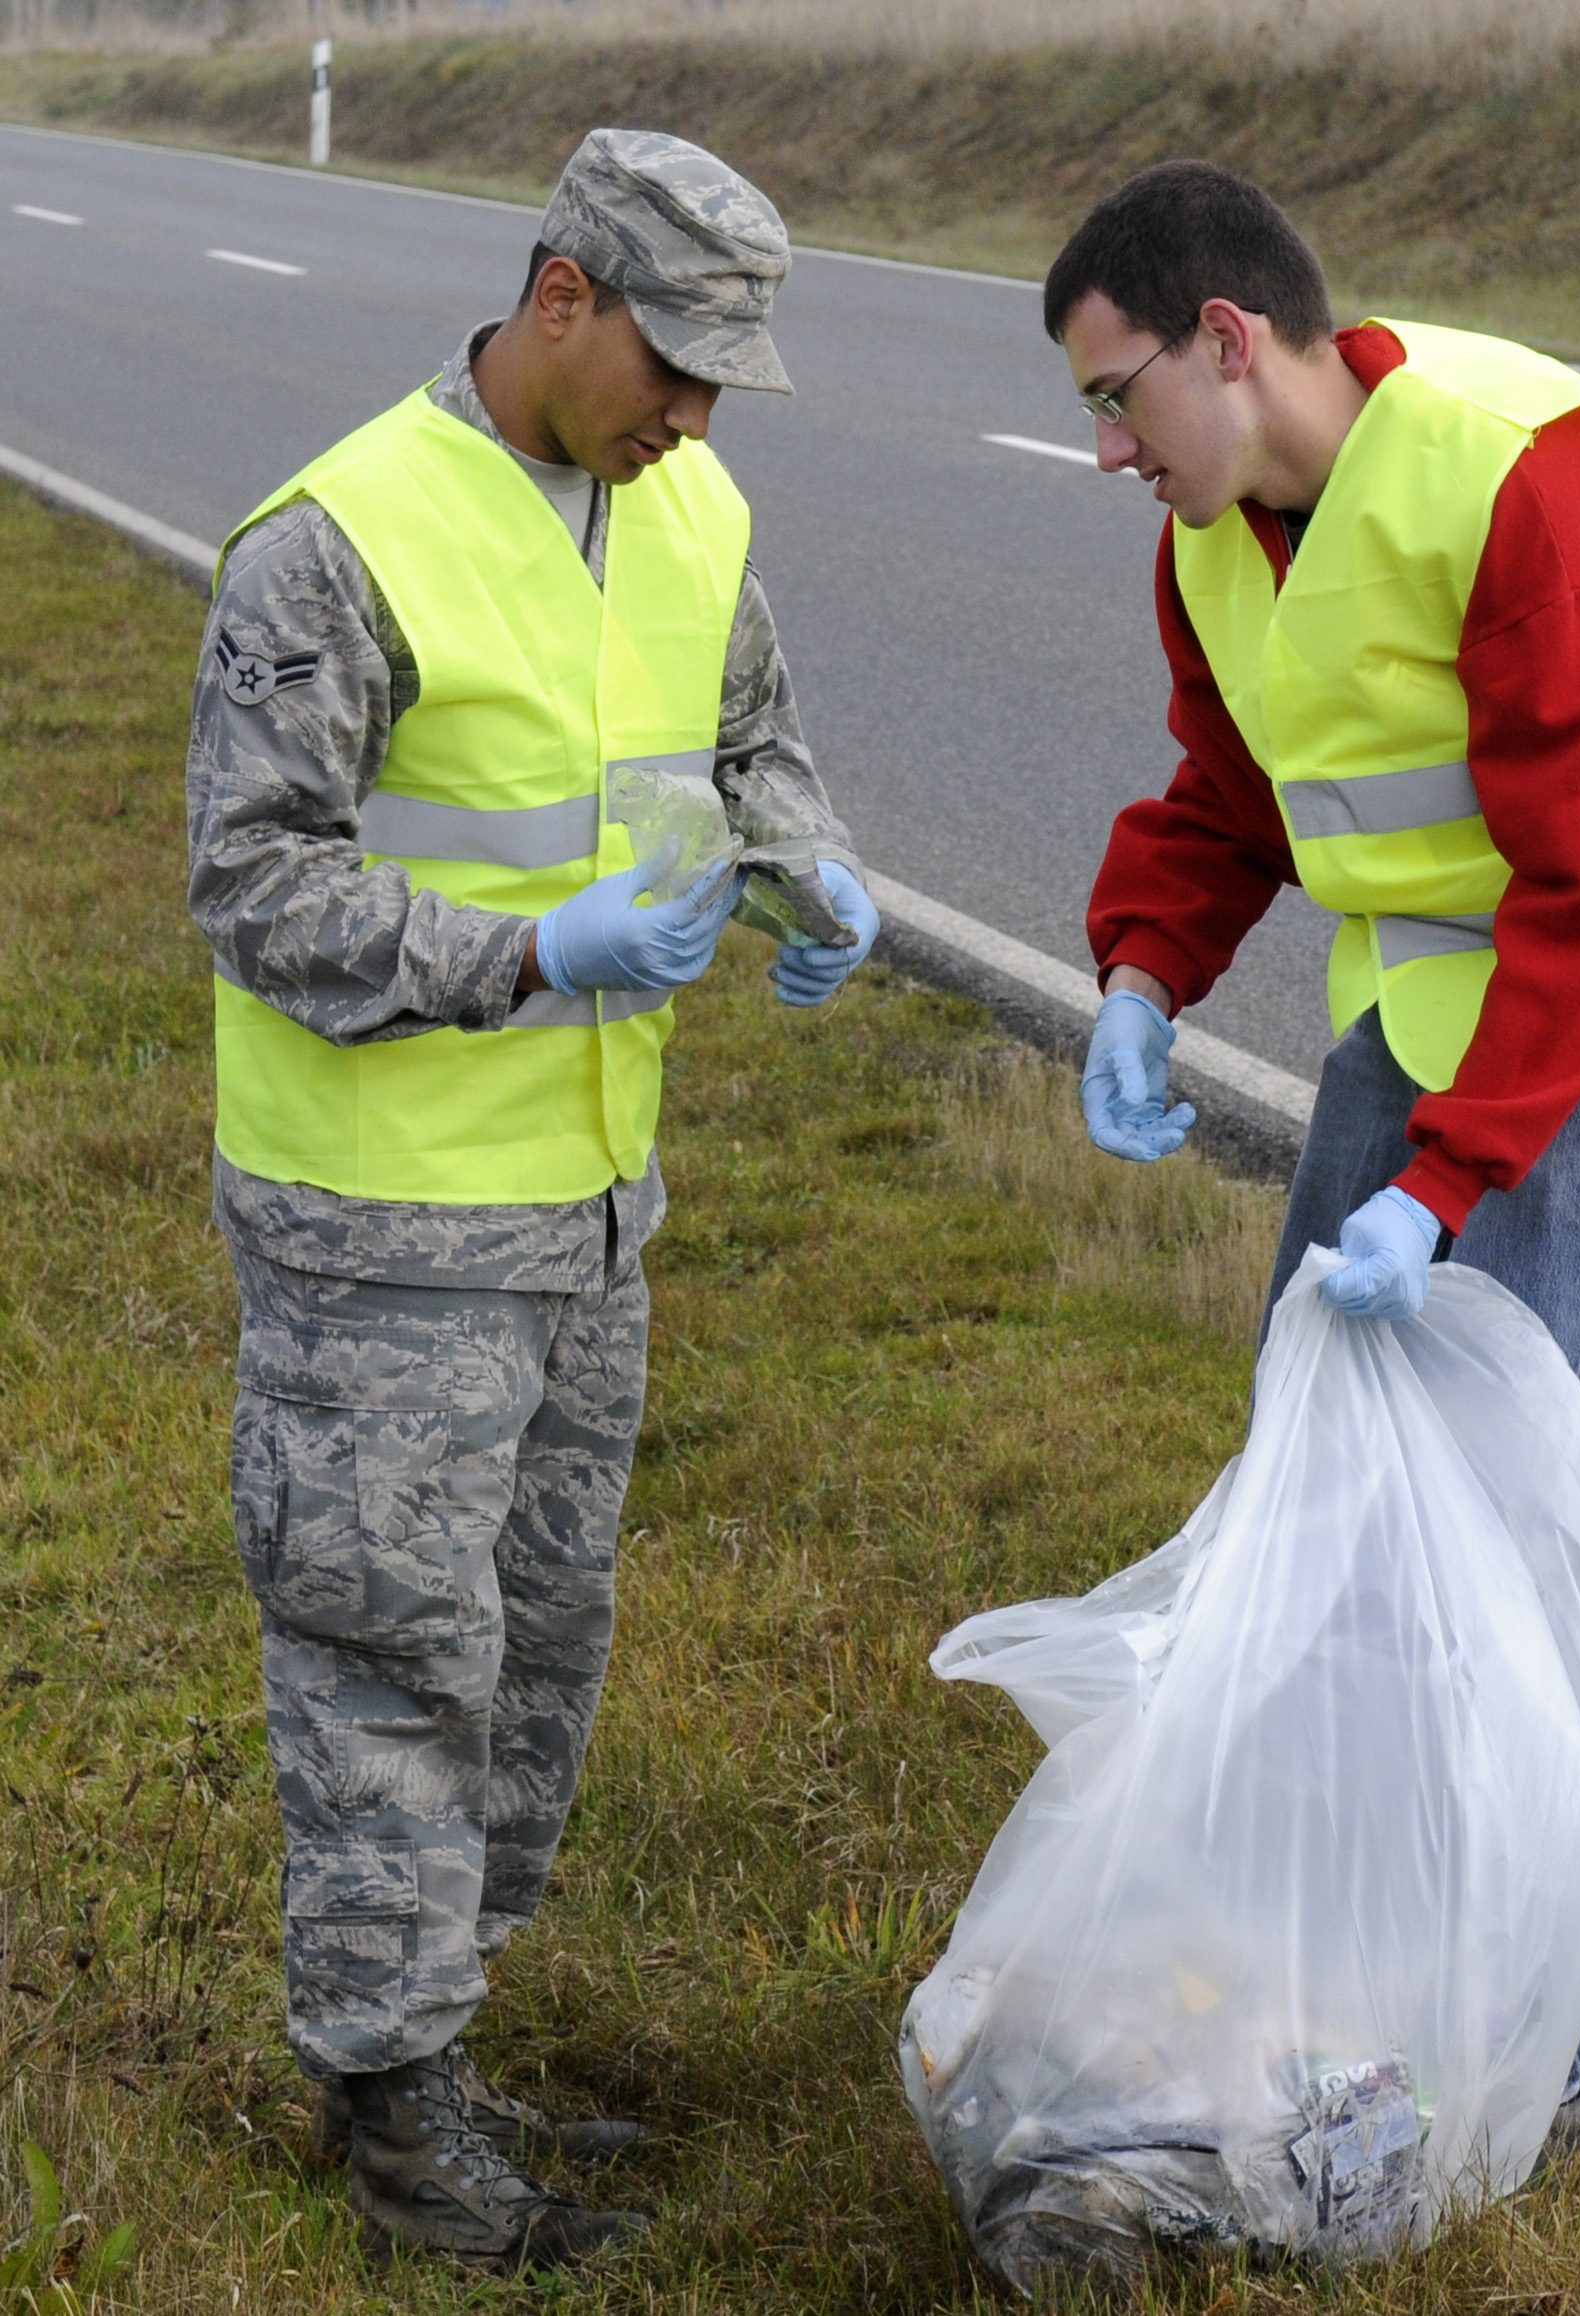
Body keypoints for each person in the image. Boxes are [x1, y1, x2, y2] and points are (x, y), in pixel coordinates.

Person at [1048, 161, 1580, 2153]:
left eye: (1113, 396)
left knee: (1497, 1520)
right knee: (1333, 1473)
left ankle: (1538, 2065)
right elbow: (1232, 791)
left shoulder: (1533, 487)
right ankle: (1341, 1966)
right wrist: (1141, 971)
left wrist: (1444, 1182)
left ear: (1226, 342)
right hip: (1443, 1002)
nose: (1104, 447)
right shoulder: (1218, 532)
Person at [185, 129, 878, 2269]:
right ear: (559, 295)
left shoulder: (686, 502)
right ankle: (394, 2118)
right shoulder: (337, 544)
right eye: (674, 360)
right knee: (394, 1658)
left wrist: (810, 856)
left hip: (585, 1217)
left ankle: (433, 2044)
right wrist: (531, 953)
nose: (693, 415)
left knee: (535, 1656)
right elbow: (252, 882)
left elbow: (741, 735)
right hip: (375, 1225)